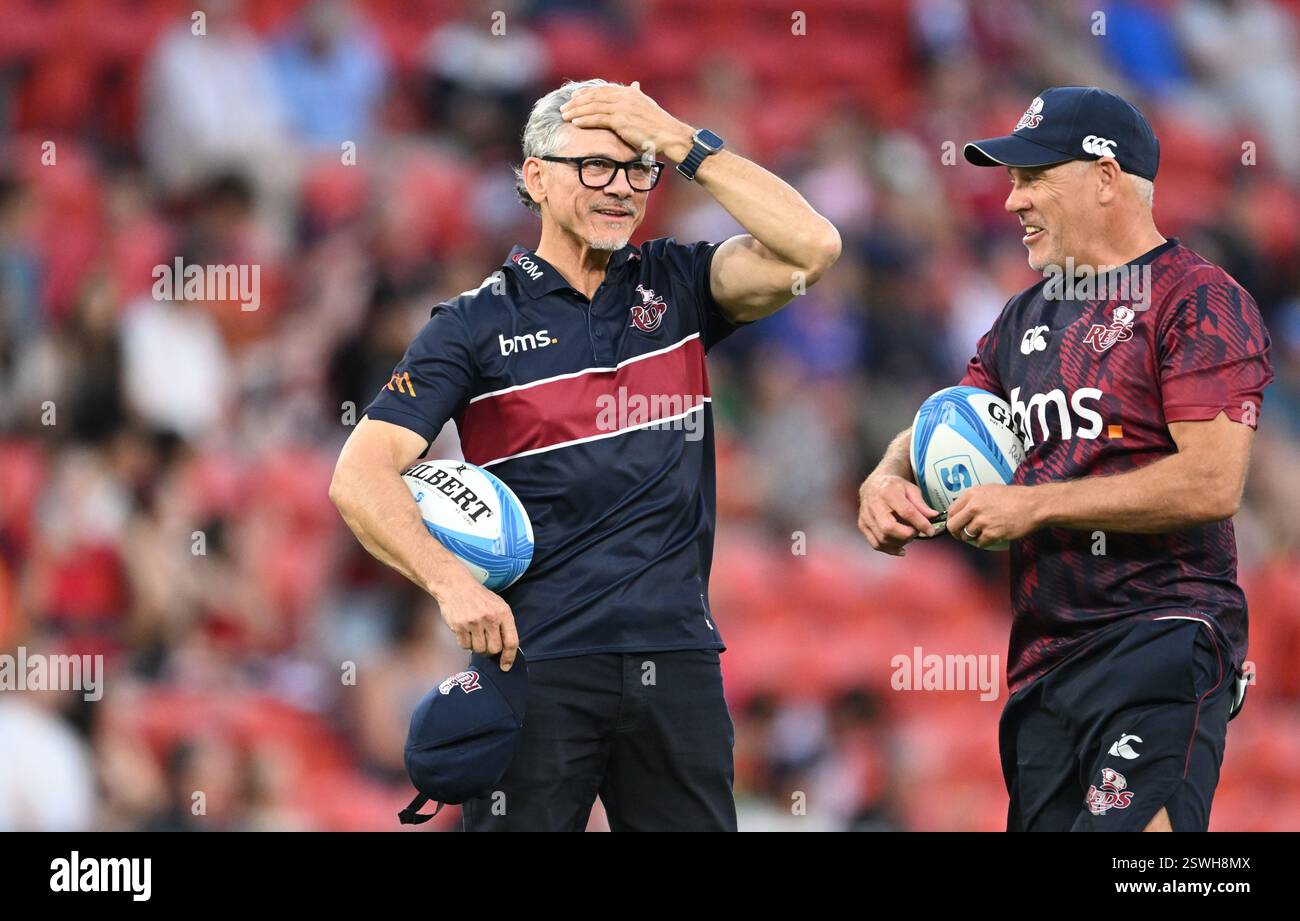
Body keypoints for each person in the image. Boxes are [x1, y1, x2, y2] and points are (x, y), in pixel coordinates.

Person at [330, 78, 840, 831]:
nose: (621, 187)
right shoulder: (472, 325)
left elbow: (814, 245)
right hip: (536, 665)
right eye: (594, 166)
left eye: (638, 168)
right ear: (535, 176)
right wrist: (449, 585)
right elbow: (358, 474)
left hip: (677, 659)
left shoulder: (680, 284)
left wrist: (678, 139)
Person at [856, 87, 1273, 832]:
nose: (1012, 200)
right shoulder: (1025, 317)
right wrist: (889, 473)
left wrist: (1037, 503)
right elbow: (948, 411)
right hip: (1043, 666)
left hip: (1160, 637)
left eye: (1033, 177)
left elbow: (1213, 482)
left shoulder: (1199, 300)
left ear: (1106, 178)